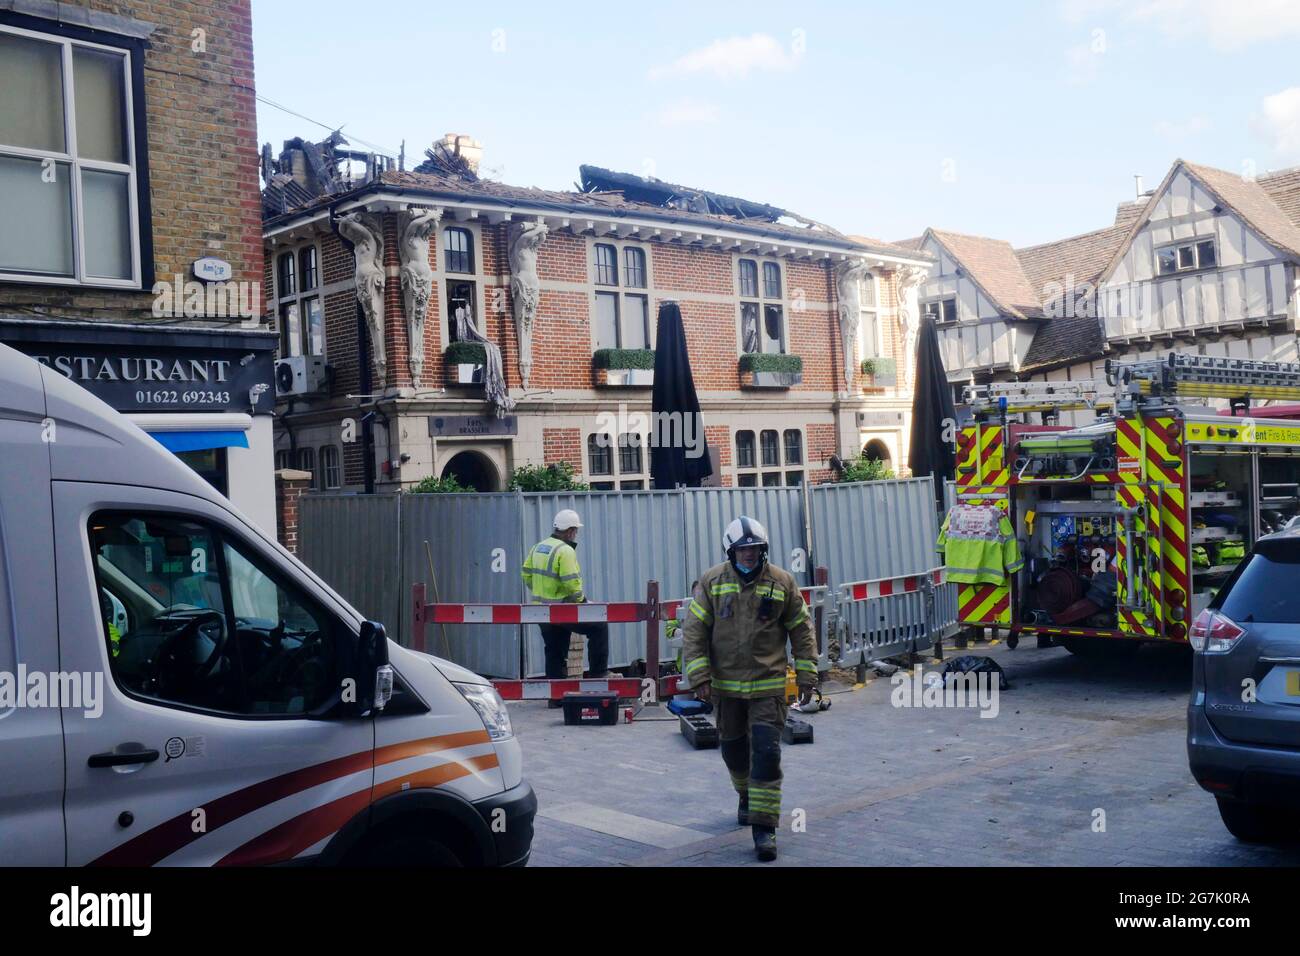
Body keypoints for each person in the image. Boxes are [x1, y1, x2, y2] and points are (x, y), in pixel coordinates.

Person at [681, 515, 818, 862]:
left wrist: (807, 675)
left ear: (763, 549)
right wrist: (699, 678)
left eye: (754, 549)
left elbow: (802, 630)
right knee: (733, 753)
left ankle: (764, 829)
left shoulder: (782, 582)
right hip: (725, 690)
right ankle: (745, 795)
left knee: (767, 754)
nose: (749, 555)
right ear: (730, 552)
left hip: (767, 687)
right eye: (742, 550)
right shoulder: (712, 582)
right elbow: (695, 631)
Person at [521, 510, 611, 705]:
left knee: (554, 650)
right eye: (575, 530)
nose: (576, 534)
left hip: (541, 611)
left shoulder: (539, 546)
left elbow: (526, 574)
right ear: (570, 531)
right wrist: (582, 602)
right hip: (563, 609)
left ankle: (556, 697)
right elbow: (572, 583)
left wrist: (540, 593)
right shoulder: (565, 550)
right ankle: (598, 676)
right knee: (599, 627)